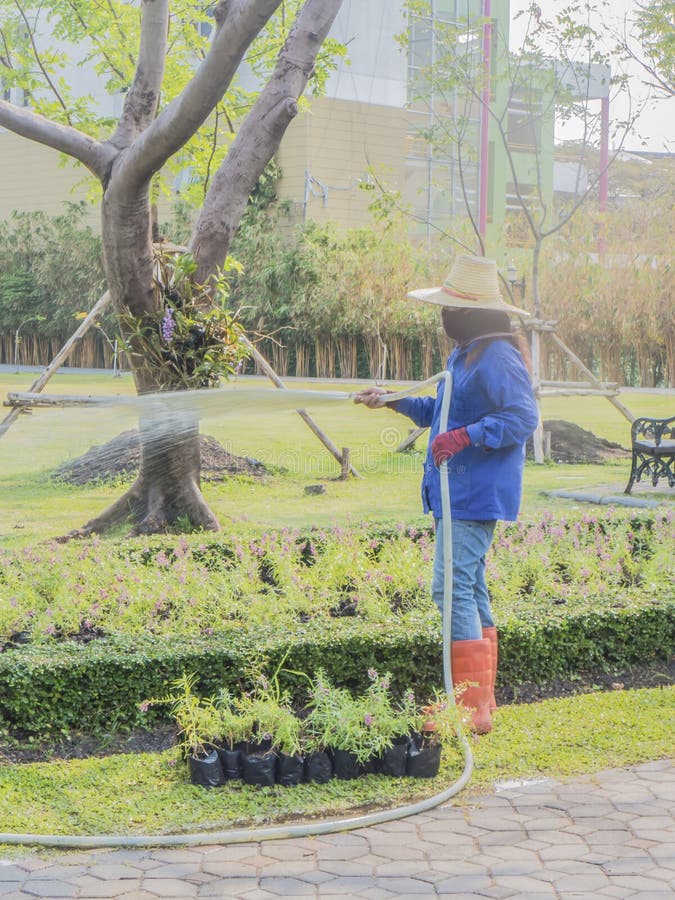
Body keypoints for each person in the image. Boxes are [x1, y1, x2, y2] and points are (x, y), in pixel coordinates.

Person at [354, 255, 539, 734]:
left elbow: (523, 417)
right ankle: (481, 702)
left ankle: (466, 706)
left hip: (475, 492)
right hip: (455, 491)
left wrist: (467, 437)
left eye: (451, 308)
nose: (444, 316)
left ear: (470, 313)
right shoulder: (469, 352)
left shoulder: (497, 355)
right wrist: (393, 400)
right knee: (469, 586)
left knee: (450, 587)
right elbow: (442, 411)